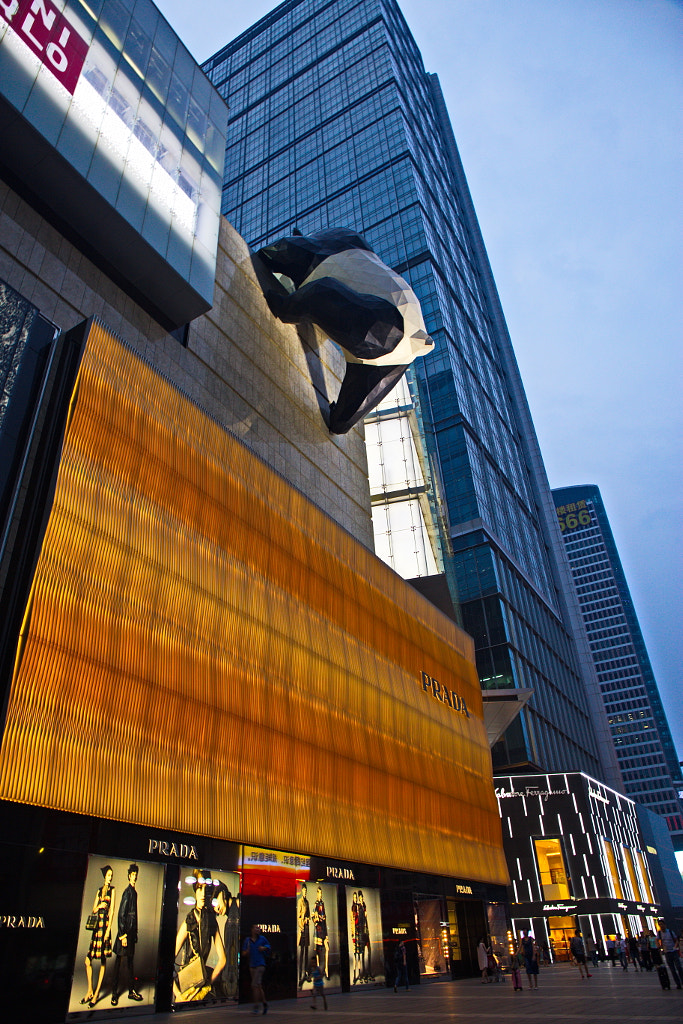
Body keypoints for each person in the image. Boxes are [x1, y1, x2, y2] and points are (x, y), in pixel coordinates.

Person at [174, 870, 226, 1003]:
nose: (203, 893)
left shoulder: (210, 920)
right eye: (199, 888)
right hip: (187, 983)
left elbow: (223, 960)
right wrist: (178, 993)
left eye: (205, 889)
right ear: (195, 891)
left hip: (200, 982)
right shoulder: (190, 921)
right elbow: (168, 958)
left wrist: (207, 986)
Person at [81, 865, 116, 1008]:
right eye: (108, 875)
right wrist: (100, 905)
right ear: (104, 876)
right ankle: (90, 990)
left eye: (111, 875)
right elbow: (93, 909)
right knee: (87, 961)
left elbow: (112, 911)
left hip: (105, 926)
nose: (110, 877)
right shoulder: (99, 891)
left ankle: (96, 994)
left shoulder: (112, 890)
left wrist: (108, 931)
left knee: (102, 961)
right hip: (97, 928)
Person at [111, 863, 143, 1005]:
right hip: (124, 934)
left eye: (136, 875)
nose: (134, 877)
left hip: (130, 934)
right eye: (132, 875)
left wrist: (133, 934)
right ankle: (114, 994)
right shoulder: (127, 892)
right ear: (129, 876)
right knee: (118, 963)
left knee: (130, 963)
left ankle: (131, 991)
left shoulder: (134, 892)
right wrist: (122, 935)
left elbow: (133, 915)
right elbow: (121, 915)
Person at [242, 924, 271, 1014]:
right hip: (252, 965)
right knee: (258, 985)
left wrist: (264, 948)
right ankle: (264, 1003)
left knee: (254, 985)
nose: (258, 930)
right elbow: (243, 953)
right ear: (252, 929)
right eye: (256, 928)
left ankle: (256, 1006)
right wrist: (247, 952)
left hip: (260, 964)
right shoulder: (248, 941)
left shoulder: (262, 939)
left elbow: (269, 947)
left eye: (259, 928)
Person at [657, 920, 682, 989]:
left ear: (665, 925)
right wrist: (659, 946)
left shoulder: (670, 932)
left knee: (679, 967)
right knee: (672, 970)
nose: (661, 926)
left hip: (673, 951)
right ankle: (678, 984)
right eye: (660, 925)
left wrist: (675, 946)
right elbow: (657, 940)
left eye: (662, 924)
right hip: (667, 953)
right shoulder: (659, 933)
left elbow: (676, 940)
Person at [313, 884, 329, 978]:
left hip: (324, 929)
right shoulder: (315, 904)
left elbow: (324, 918)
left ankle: (326, 969)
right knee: (318, 951)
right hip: (318, 930)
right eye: (319, 893)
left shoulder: (322, 903)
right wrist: (317, 918)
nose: (320, 895)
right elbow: (313, 917)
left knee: (327, 948)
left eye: (321, 893)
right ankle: (318, 971)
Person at [298, 883, 311, 987]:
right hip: (302, 928)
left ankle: (306, 973)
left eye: (306, 891)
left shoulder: (307, 902)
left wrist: (307, 919)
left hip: (306, 927)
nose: (305, 892)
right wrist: (302, 923)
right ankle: (300, 975)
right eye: (304, 891)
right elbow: (298, 916)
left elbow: (309, 915)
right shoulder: (300, 901)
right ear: (302, 891)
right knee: (302, 952)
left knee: (306, 951)